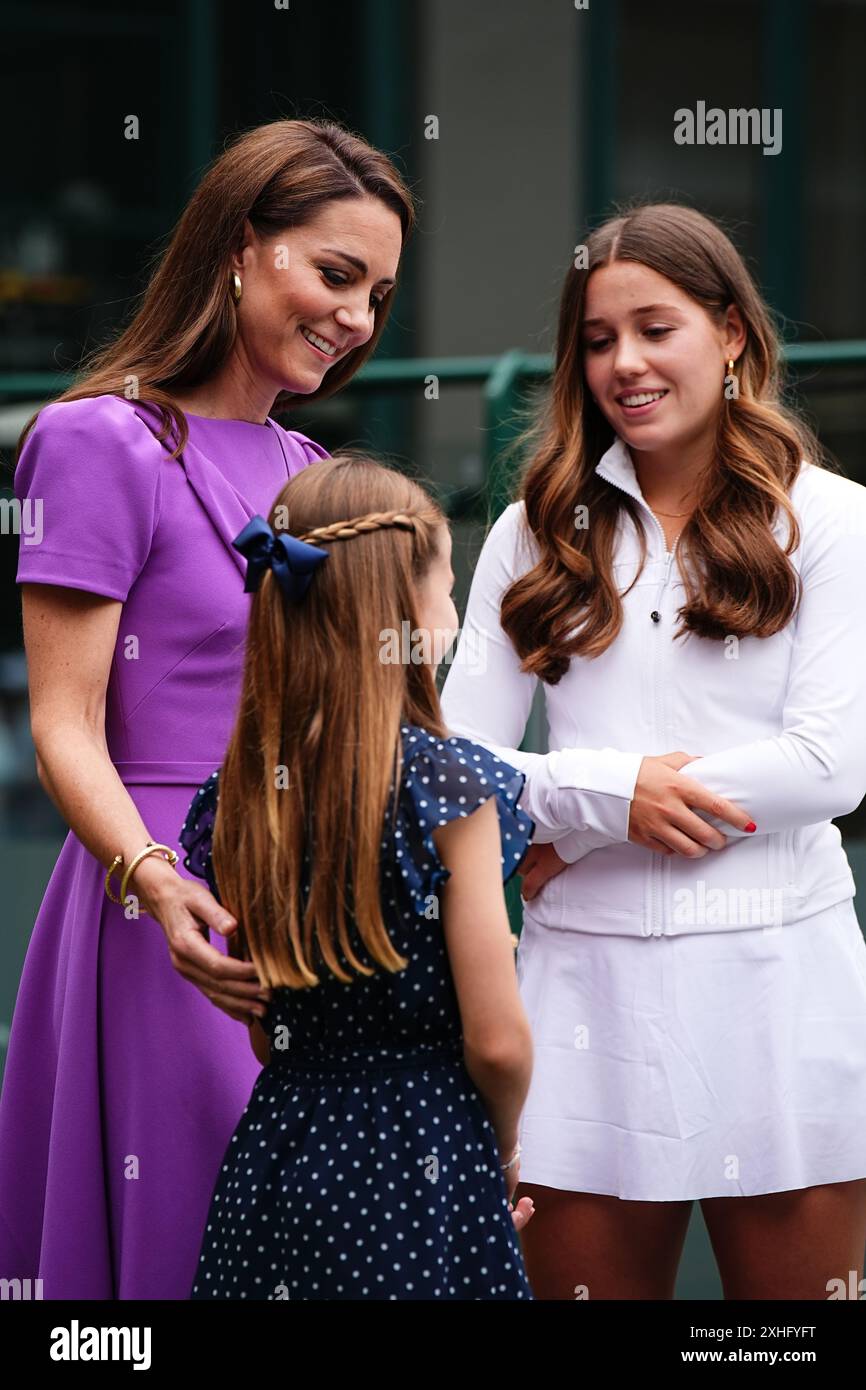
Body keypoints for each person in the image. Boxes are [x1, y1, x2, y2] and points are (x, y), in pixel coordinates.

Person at [0, 118, 413, 1300]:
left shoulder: (308, 466)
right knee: (188, 1228)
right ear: (239, 246)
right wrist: (152, 878)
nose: (355, 320)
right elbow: (65, 725)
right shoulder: (96, 441)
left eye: (377, 296)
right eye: (334, 275)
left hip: (313, 896)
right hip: (169, 902)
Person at [440, 202, 866, 1300]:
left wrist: (572, 831)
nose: (622, 362)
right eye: (594, 339)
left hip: (781, 984)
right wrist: (599, 796)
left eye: (653, 328)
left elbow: (828, 764)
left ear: (729, 334)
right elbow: (442, 766)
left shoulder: (829, 519)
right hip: (582, 992)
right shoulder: (529, 530)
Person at [178, 453, 547, 1299]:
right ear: (404, 611)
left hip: (277, 1159)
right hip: (425, 1150)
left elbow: (265, 1028)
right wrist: (502, 1147)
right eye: (445, 587)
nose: (451, 607)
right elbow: (496, 1041)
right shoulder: (452, 788)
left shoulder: (237, 797)